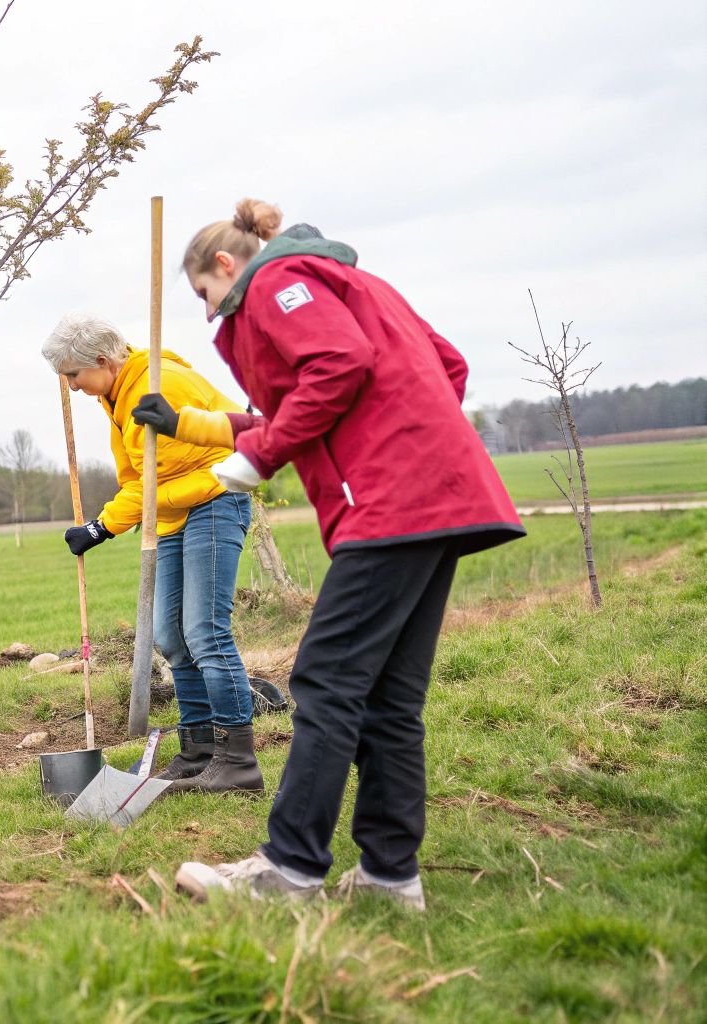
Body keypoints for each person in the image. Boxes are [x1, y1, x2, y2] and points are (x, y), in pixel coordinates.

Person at [159, 200, 523, 911]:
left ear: (225, 266)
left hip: (392, 506)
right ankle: (391, 878)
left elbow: (337, 363)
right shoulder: (355, 281)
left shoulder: (276, 283)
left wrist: (266, 453)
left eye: (205, 296)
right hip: (441, 495)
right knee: (389, 697)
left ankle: (287, 869)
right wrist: (398, 440)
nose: (210, 316)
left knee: (325, 680)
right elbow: (446, 364)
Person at [42, 314, 261, 793]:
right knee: (170, 636)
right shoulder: (115, 396)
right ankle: (199, 748)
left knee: (205, 632)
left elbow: (161, 476)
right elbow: (138, 483)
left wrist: (103, 526)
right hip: (172, 514)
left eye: (74, 375)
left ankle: (237, 759)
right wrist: (101, 526)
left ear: (101, 361)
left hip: (213, 503)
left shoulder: (160, 385)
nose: (72, 387)